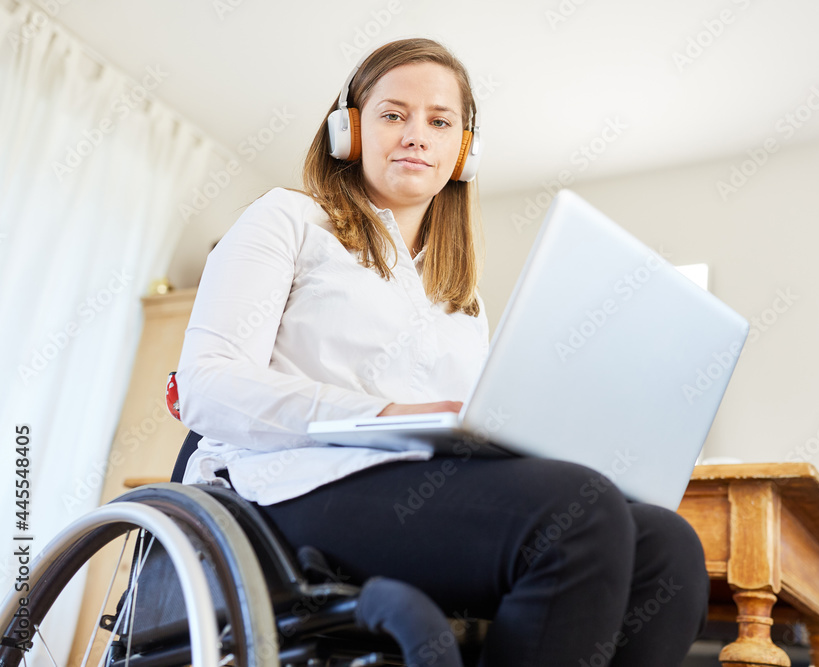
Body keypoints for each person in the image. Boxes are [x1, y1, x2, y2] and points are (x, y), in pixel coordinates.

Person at [176, 37, 708, 666]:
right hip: (289, 489)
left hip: (424, 486)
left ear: (464, 150)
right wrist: (382, 415)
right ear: (348, 132)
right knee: (578, 516)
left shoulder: (463, 299)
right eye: (393, 114)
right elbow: (206, 386)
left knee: (668, 546)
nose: (415, 135)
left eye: (439, 121)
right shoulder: (287, 221)